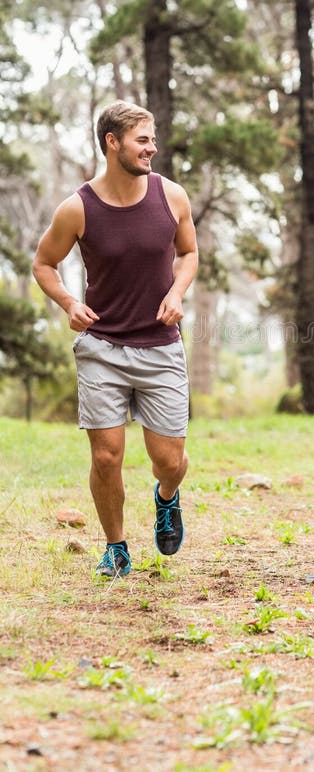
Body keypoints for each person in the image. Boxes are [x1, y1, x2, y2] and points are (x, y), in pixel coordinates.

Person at [33, 100, 198, 579]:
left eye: (152, 139)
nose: (153, 147)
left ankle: (167, 498)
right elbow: (44, 264)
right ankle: (116, 547)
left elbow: (188, 253)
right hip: (102, 346)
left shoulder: (172, 196)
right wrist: (68, 302)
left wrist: (177, 290)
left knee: (169, 461)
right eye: (142, 139)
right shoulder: (77, 208)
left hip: (161, 345)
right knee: (106, 456)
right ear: (112, 142)